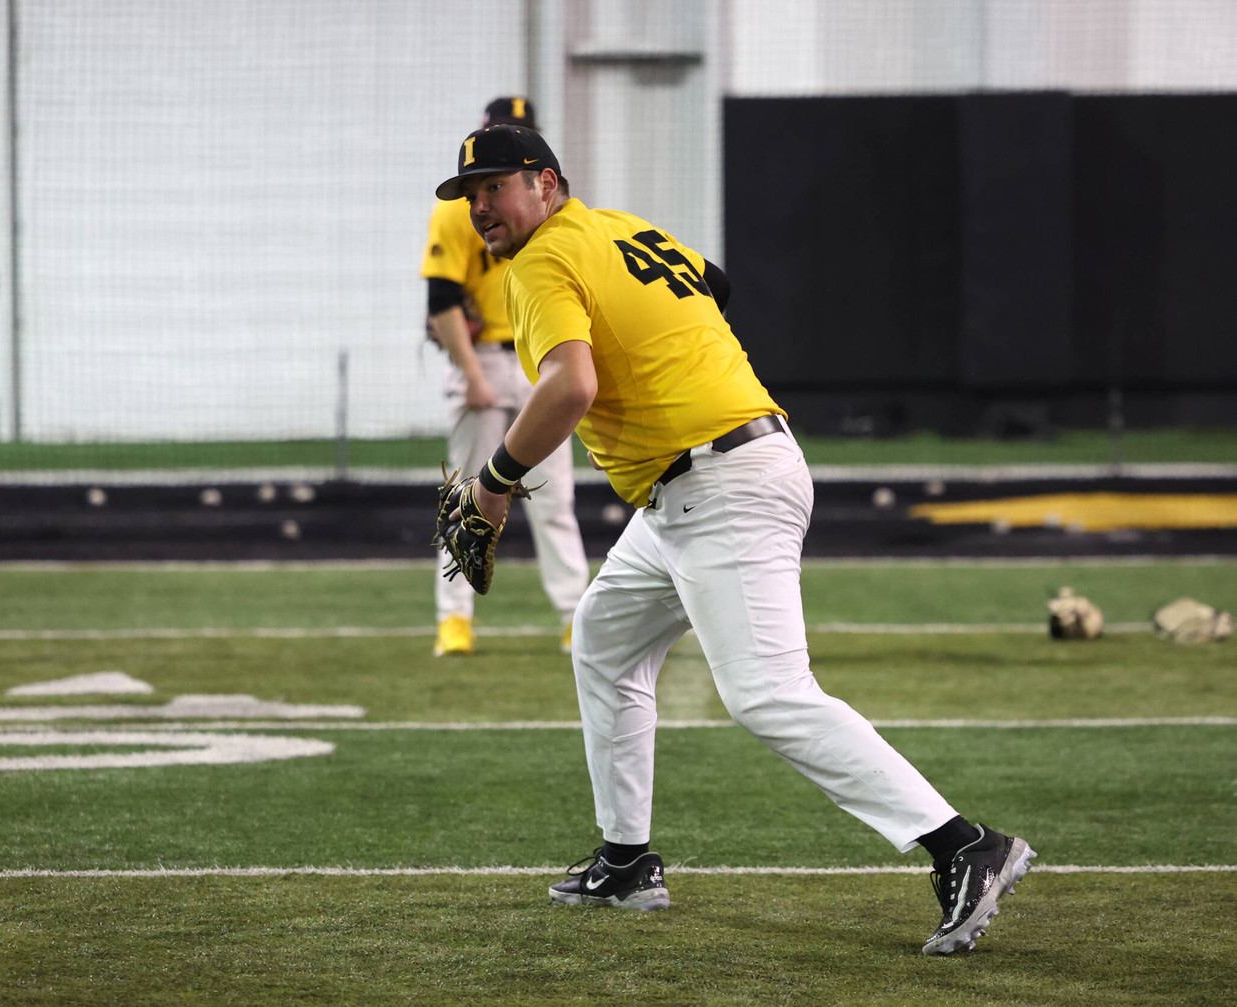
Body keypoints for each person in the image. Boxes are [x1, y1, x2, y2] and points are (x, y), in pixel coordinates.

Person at [433, 124, 1035, 955]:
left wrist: (495, 482)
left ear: (545, 182)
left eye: (494, 187)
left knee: (766, 694)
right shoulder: (620, 228)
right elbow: (711, 284)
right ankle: (626, 858)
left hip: (718, 483)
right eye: (469, 195)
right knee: (603, 643)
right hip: (706, 479)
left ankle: (962, 844)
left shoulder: (542, 260)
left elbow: (571, 386)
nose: (479, 207)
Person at [419, 97, 588, 657]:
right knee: (467, 494)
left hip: (544, 354)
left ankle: (573, 616)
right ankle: (455, 619)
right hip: (488, 354)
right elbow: (441, 298)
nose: (484, 198)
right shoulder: (459, 211)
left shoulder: (562, 219)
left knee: (554, 497)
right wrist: (471, 373)